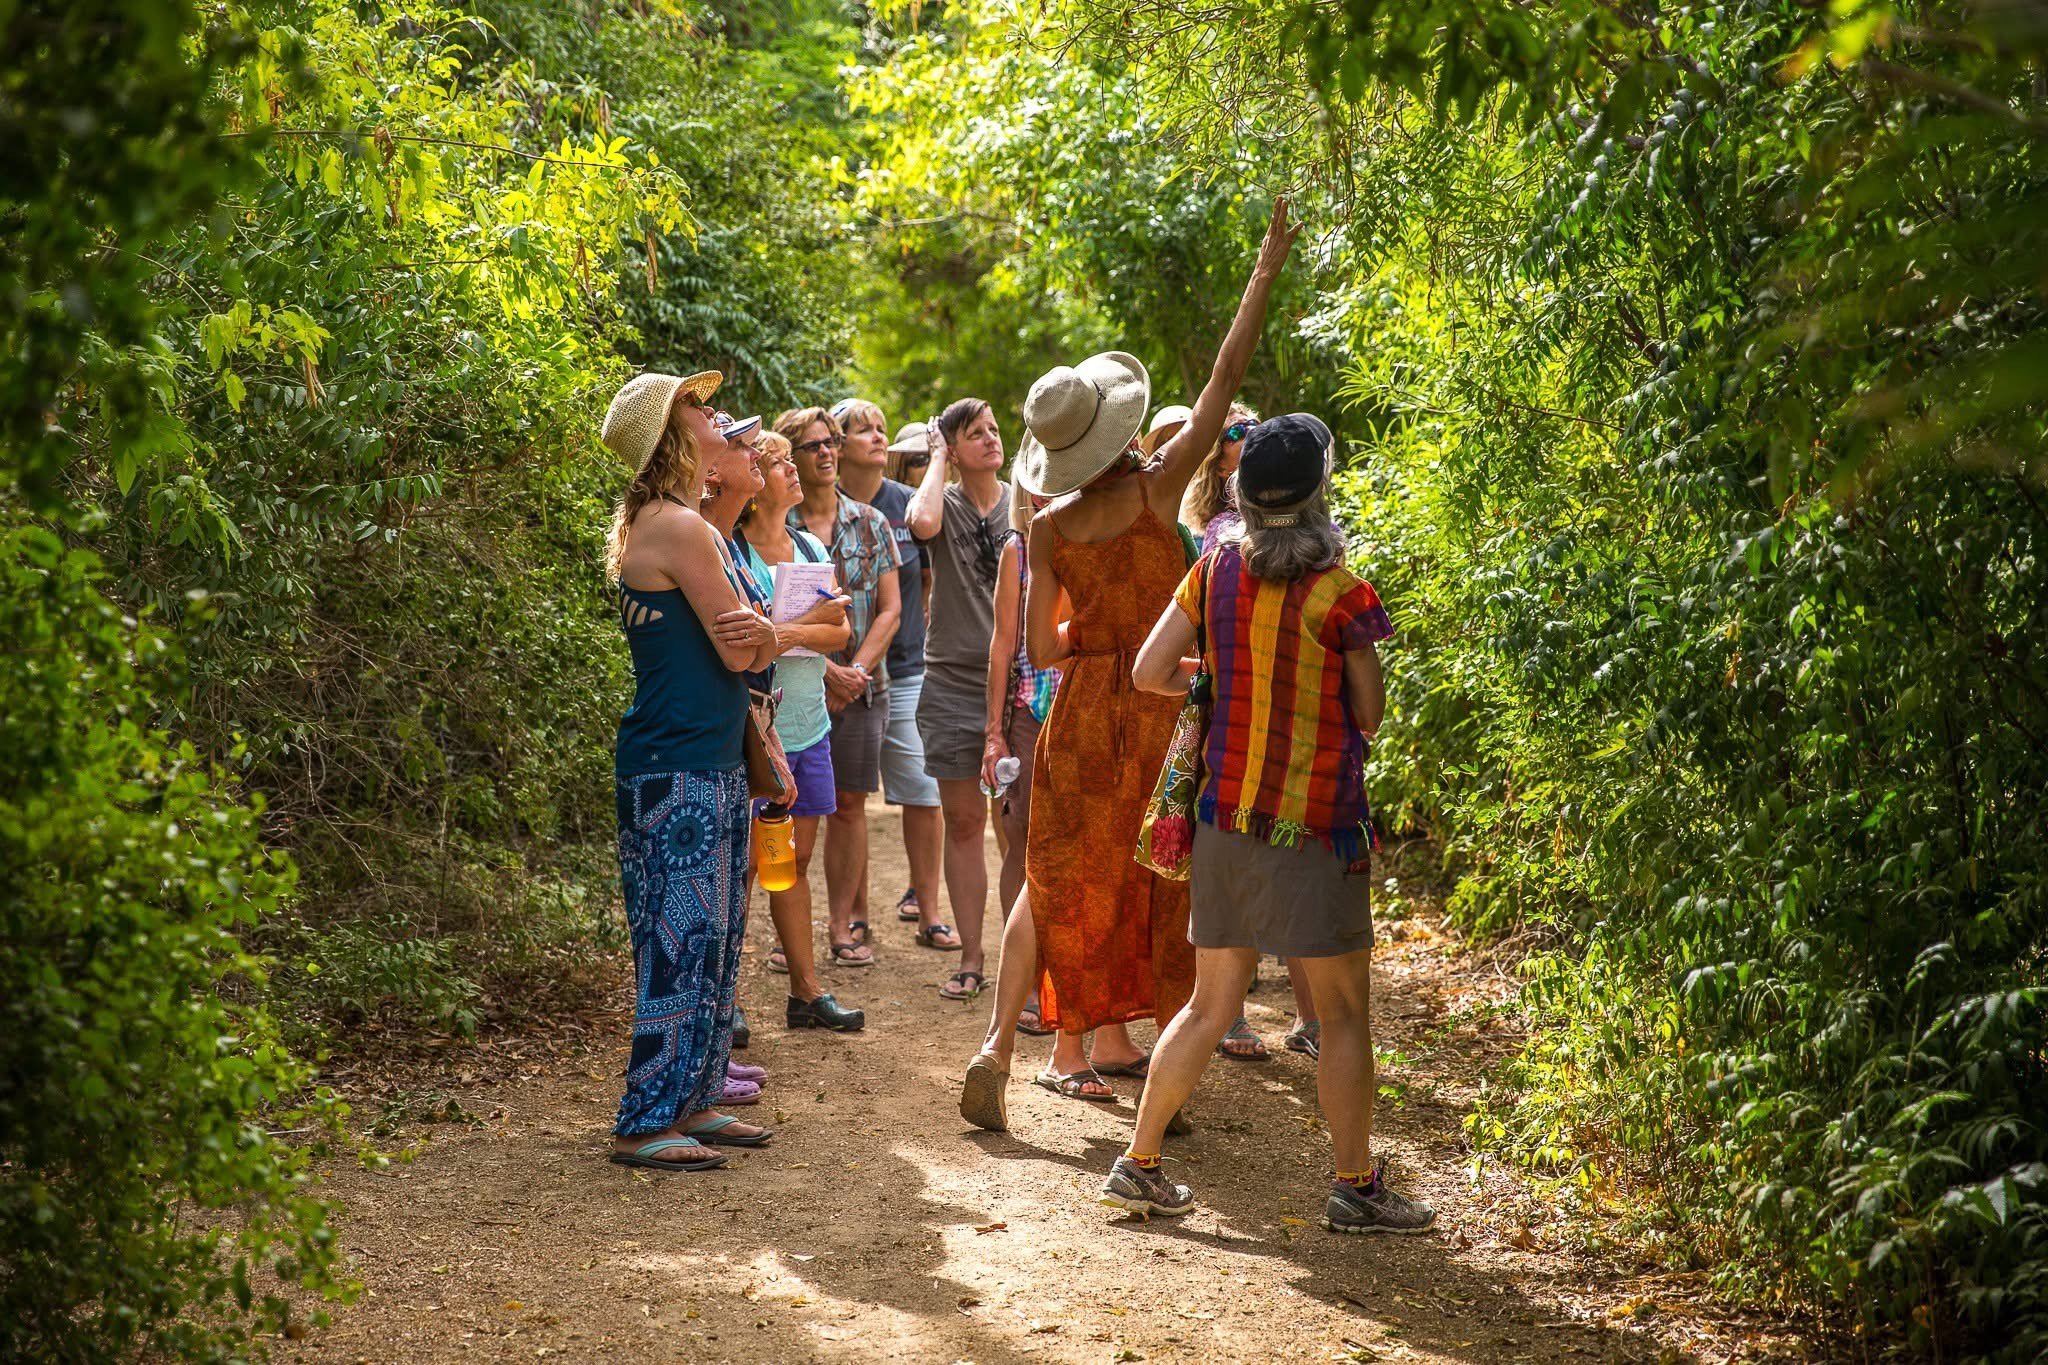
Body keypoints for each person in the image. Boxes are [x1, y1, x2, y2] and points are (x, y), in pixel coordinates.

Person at [956, 199, 1299, 1124]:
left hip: (1082, 709)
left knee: (1065, 870)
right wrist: (1262, 273)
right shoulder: (1155, 491)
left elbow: (1037, 648)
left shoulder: (1051, 526)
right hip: (1162, 702)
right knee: (1155, 871)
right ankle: (1126, 1041)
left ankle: (1029, 1039)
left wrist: (1093, 644)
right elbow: (1224, 382)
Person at [1099, 412, 1436, 1236]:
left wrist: (1216, 673)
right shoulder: (1344, 593)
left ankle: (1139, 1164)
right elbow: (1371, 711)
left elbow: (1148, 672)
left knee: (1210, 1005)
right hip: (1316, 828)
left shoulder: (1212, 569)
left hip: (1223, 820)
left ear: (1242, 494)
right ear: (1320, 495)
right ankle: (1355, 1186)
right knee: (1344, 1013)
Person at [600, 370, 777, 1170]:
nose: (717, 418)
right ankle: (646, 1118)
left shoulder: (672, 519)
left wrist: (769, 632)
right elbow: (742, 645)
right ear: (675, 435)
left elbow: (746, 637)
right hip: (678, 766)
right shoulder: (677, 524)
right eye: (700, 409)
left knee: (713, 939)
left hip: (698, 758)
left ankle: (695, 1098)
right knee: (680, 944)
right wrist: (784, 635)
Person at [731, 432, 867, 1033]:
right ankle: (722, 1000)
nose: (793, 471)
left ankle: (805, 993)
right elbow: (746, 637)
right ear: (755, 480)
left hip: (809, 725)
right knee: (742, 866)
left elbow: (839, 634)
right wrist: (806, 625)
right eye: (781, 462)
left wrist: (786, 631)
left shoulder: (810, 543)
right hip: (756, 732)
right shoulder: (731, 550)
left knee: (795, 858)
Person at [779, 407, 903, 972]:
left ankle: (842, 924)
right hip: (798, 688)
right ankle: (791, 932)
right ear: (791, 458)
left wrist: (855, 671)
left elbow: (891, 608)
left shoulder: (872, 522)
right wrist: (829, 671)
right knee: (790, 814)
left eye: (831, 442)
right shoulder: (779, 529)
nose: (827, 453)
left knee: (850, 808)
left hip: (863, 684)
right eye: (812, 446)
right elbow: (775, 614)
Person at [905, 398, 1012, 1001]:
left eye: (995, 430)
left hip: (1018, 682)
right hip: (950, 682)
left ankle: (1024, 970)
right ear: (952, 445)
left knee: (1014, 825)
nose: (992, 440)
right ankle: (972, 958)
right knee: (965, 822)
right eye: (976, 433)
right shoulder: (940, 500)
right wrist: (939, 456)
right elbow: (920, 523)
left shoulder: (1023, 495)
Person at [833, 399, 948, 950]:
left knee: (924, 794)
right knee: (847, 799)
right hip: (831, 677)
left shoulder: (907, 505)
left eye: (882, 429)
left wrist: (923, 628)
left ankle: (930, 913)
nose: (879, 438)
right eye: (864, 430)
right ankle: (854, 917)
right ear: (837, 445)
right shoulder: (815, 508)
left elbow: (925, 580)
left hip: (903, 667)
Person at [982, 488, 1061, 1030]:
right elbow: (1003, 643)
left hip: (1090, 707)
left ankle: (1070, 983)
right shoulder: (1019, 548)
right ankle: (1028, 985)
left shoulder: (1101, 529)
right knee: (1025, 842)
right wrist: (995, 734)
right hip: (1031, 712)